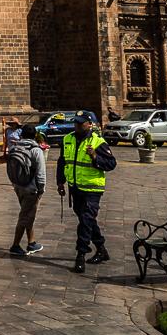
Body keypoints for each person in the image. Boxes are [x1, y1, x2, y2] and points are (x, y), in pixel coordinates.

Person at [56, 110, 117, 273]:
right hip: (75, 187)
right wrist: (60, 181)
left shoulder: (98, 142)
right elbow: (62, 161)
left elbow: (111, 164)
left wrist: (95, 156)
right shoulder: (68, 139)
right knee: (86, 220)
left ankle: (81, 255)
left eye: (81, 123)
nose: (77, 125)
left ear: (89, 124)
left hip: (92, 189)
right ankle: (101, 248)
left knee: (85, 219)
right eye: (76, 122)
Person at [7, 124, 45, 256]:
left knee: (28, 213)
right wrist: (41, 190)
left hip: (18, 186)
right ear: (35, 135)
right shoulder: (36, 150)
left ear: (21, 134)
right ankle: (15, 245)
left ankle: (32, 242)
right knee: (25, 216)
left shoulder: (15, 147)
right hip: (31, 189)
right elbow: (41, 174)